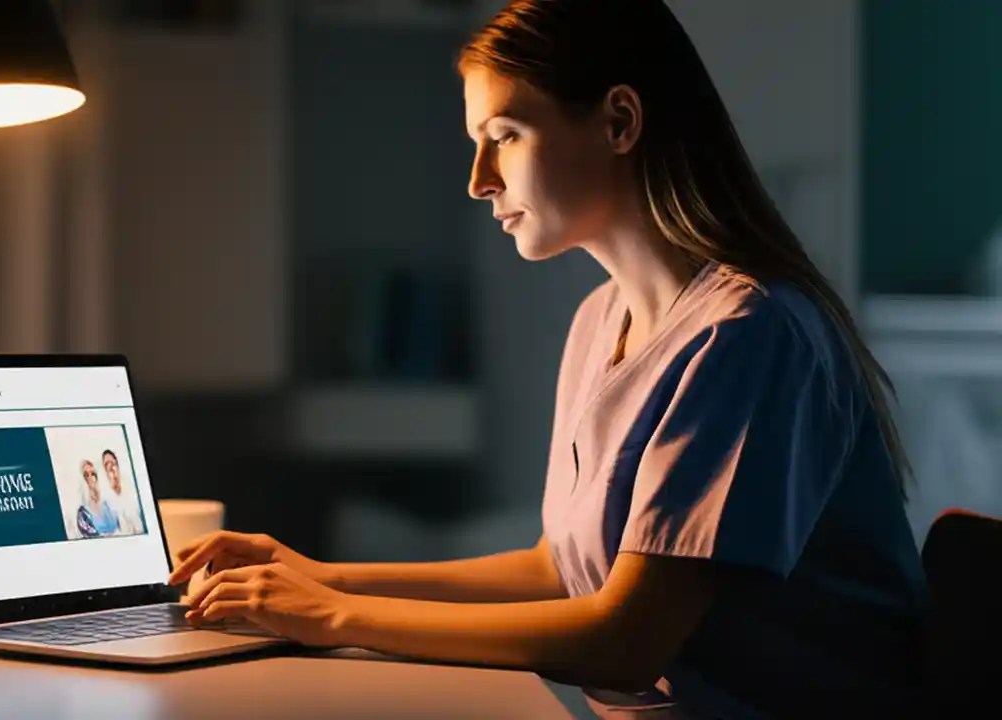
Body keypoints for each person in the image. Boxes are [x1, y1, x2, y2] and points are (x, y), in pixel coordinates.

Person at [168, 2, 927, 717]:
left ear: (620, 121)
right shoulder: (600, 320)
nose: (478, 180)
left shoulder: (749, 332)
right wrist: (318, 574)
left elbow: (624, 641)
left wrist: (335, 615)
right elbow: (558, 570)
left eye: (503, 135)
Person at [102, 449, 145, 535]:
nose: (110, 467)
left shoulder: (131, 485)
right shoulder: (107, 499)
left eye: (112, 463)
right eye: (107, 464)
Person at [75, 459, 120, 538]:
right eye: (86, 475)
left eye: (93, 474)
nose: (90, 478)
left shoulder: (108, 505)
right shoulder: (83, 514)